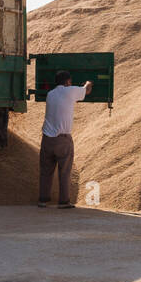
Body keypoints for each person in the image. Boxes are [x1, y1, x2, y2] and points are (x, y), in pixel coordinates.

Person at [38, 70, 92, 208]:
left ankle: (43, 200)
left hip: (47, 139)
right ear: (68, 82)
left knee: (46, 171)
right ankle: (63, 202)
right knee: (65, 171)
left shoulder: (50, 94)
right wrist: (88, 83)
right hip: (63, 139)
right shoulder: (71, 91)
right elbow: (87, 91)